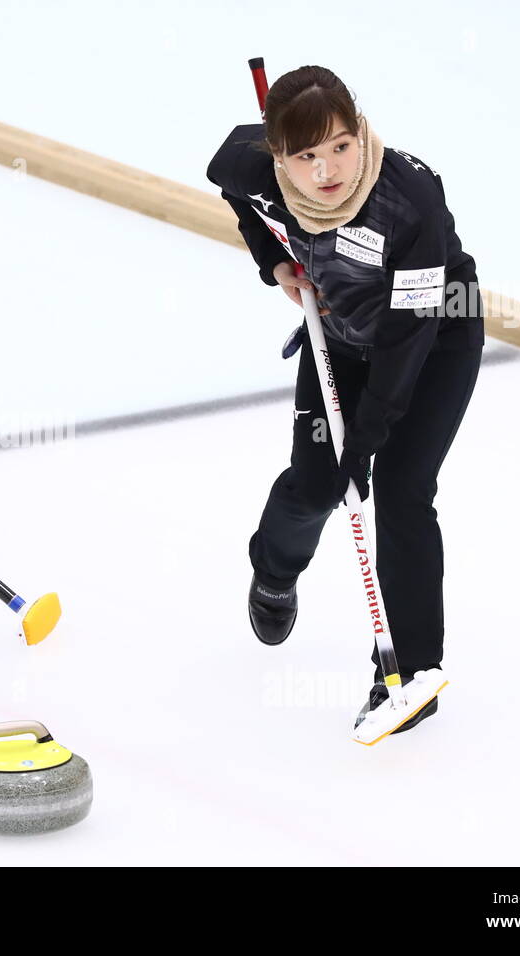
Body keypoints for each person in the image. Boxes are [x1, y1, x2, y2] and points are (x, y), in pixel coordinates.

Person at [206, 66, 483, 733]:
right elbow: (235, 194)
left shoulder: (411, 202)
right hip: (337, 334)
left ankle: (408, 672)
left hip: (432, 338)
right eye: (305, 156)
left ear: (359, 132)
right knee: (319, 485)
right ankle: (273, 572)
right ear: (278, 158)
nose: (327, 169)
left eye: (340, 145)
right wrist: (270, 263)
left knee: (402, 486)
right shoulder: (248, 168)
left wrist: (369, 432)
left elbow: (409, 334)